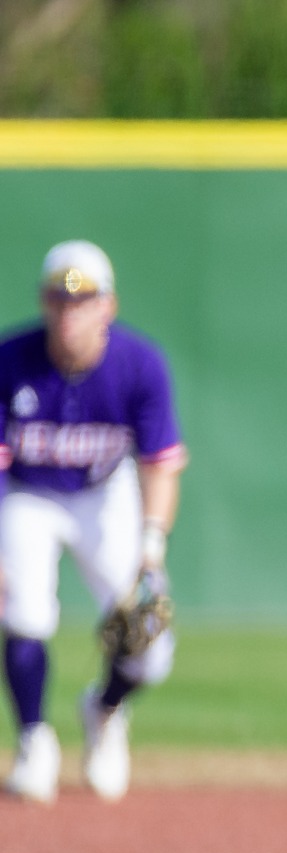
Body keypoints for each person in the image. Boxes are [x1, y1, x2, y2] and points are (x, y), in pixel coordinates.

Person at [1, 241, 185, 804]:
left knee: (149, 643)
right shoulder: (11, 360)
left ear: (109, 306)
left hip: (107, 495)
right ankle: (34, 742)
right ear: (44, 301)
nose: (69, 312)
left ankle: (104, 713)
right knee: (24, 611)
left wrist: (152, 548)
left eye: (83, 301)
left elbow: (161, 464)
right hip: (27, 495)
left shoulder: (139, 364)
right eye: (59, 299)